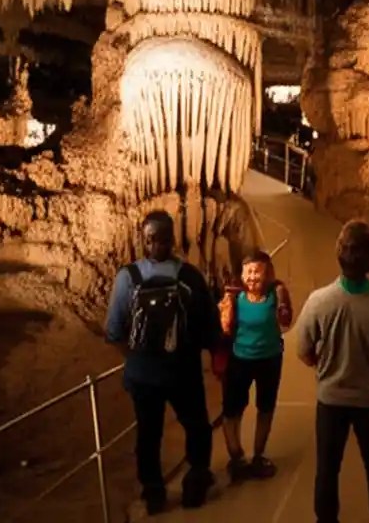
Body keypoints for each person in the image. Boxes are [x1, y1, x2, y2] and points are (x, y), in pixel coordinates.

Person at [105, 210, 218, 514]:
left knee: (148, 433)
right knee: (196, 426)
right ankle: (195, 483)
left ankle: (154, 493)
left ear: (145, 239)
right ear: (173, 237)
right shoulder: (191, 276)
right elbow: (210, 329)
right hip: (183, 371)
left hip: (143, 375)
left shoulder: (127, 277)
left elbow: (114, 330)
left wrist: (136, 358)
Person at [297, 220, 369, 523]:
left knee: (328, 468)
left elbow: (303, 351)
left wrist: (326, 367)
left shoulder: (319, 302)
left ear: (338, 254)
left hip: (331, 400)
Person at [218, 250, 294, 482]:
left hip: (269, 359)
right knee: (232, 408)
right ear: (242, 274)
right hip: (240, 359)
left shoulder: (276, 293)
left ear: (268, 274)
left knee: (266, 406)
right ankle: (236, 454)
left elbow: (286, 320)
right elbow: (225, 327)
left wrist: (282, 304)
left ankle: (258, 454)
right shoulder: (235, 298)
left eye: (258, 272)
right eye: (249, 272)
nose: (253, 277)